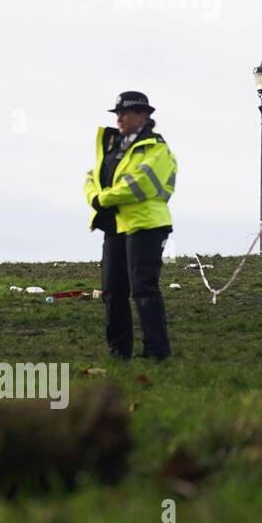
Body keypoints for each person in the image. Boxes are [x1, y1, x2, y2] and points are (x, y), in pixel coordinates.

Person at [83, 92, 178, 360]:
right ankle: (119, 352)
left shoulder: (156, 148)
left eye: (126, 113)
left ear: (144, 117)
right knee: (113, 292)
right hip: (117, 225)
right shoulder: (114, 146)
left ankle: (156, 353)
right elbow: (92, 177)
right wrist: (95, 196)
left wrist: (102, 198)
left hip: (146, 225)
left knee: (143, 289)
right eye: (117, 113)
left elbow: (141, 185)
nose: (120, 118)